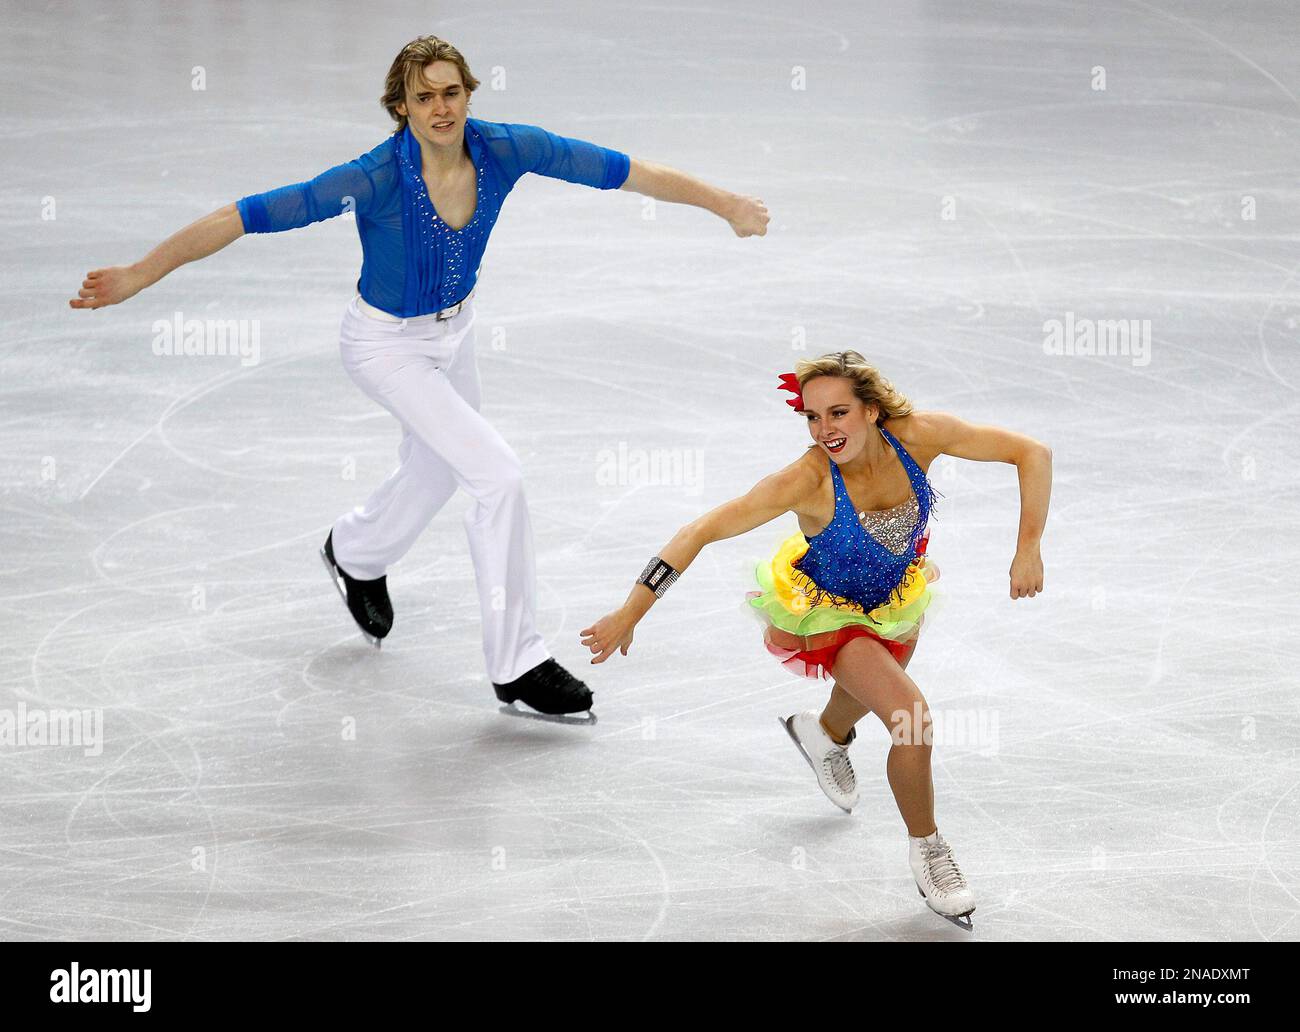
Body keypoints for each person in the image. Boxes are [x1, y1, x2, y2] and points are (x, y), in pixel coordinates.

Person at [69, 34, 769, 722]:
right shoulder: (372, 178)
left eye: (452, 92)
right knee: (499, 475)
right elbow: (243, 216)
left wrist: (727, 204)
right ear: (400, 107)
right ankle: (516, 662)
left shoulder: (504, 147)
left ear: (468, 93)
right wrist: (138, 274)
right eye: (423, 96)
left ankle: (354, 550)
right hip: (384, 346)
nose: (441, 108)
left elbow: (624, 171)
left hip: (453, 333)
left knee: (437, 472)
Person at [579, 350, 1052, 927]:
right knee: (912, 719)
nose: (825, 430)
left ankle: (823, 733)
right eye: (811, 417)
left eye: (838, 413)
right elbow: (699, 530)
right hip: (828, 617)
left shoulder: (921, 436)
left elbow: (1031, 453)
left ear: (873, 411)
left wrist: (1027, 546)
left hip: (897, 600)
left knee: (872, 693)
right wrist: (632, 611)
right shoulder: (805, 480)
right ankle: (929, 849)